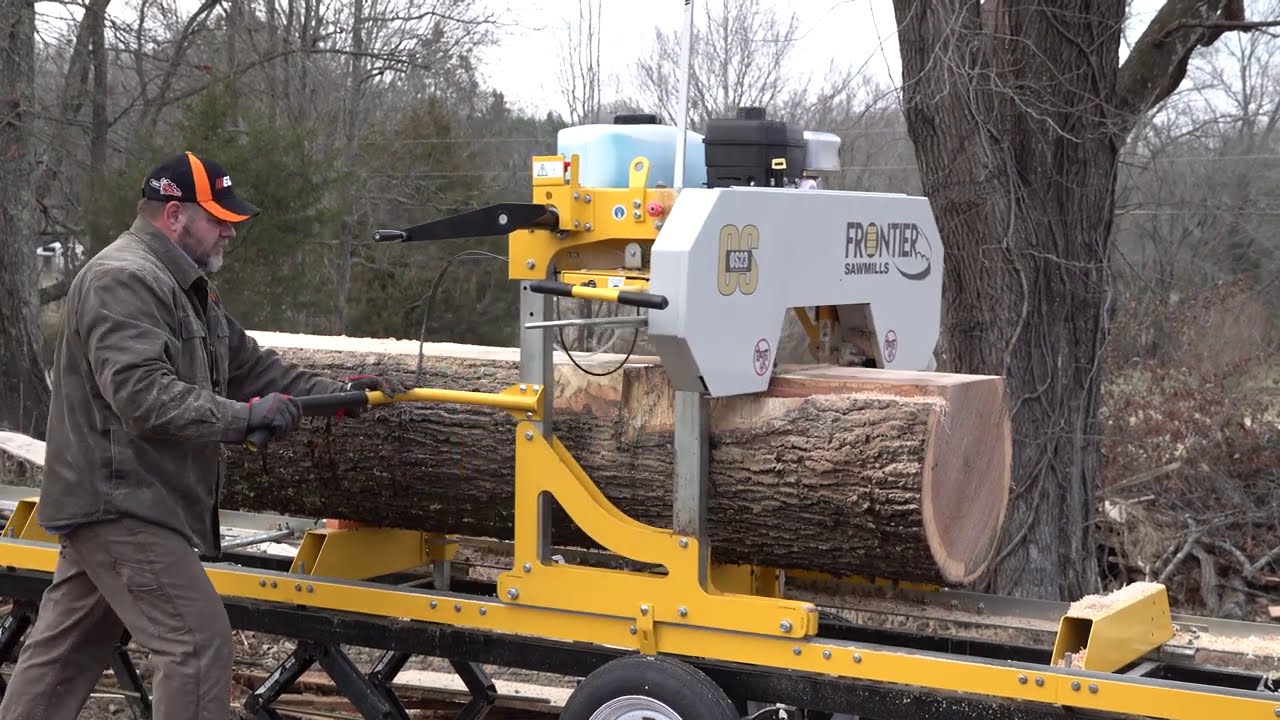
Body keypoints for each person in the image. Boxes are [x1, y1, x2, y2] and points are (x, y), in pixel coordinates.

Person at [0, 151, 401, 720]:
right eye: (218, 218)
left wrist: (337, 393)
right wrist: (246, 419)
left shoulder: (184, 285)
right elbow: (143, 397)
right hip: (121, 503)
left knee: (63, 656)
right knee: (195, 643)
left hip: (129, 500)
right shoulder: (124, 280)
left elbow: (247, 365)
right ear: (172, 214)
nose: (229, 232)